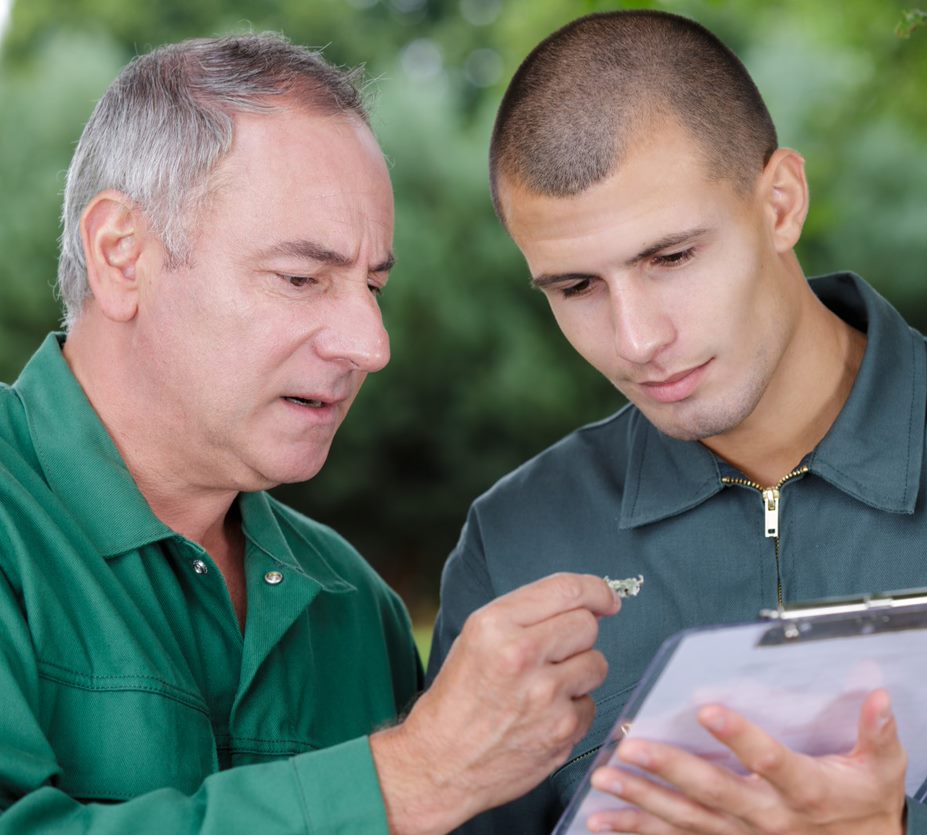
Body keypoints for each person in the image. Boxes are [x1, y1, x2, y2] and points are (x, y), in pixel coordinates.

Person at [429, 9, 927, 834]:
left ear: (782, 203)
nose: (638, 338)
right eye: (576, 287)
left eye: (672, 257)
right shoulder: (513, 545)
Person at [0, 34, 621, 834]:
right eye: (302, 279)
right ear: (123, 255)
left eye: (372, 284)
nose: (371, 344)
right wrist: (408, 777)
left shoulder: (355, 605)